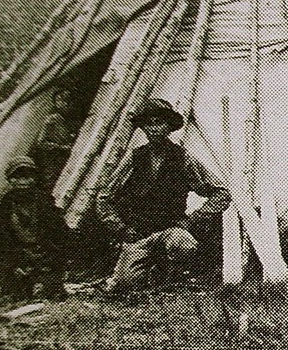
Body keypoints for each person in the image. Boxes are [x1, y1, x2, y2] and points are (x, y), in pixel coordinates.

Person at [98, 99, 229, 293]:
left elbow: (222, 193)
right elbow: (105, 197)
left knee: (184, 244)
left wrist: (192, 221)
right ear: (142, 128)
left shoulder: (182, 158)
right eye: (148, 124)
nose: (153, 129)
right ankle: (148, 273)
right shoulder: (135, 158)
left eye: (159, 122)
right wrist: (121, 228)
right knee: (127, 284)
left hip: (170, 230)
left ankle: (170, 275)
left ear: (169, 126)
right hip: (139, 234)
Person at [0, 156, 70, 301]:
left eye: (27, 176)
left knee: (49, 293)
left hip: (44, 260)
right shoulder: (2, 210)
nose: (23, 181)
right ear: (10, 180)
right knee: (7, 292)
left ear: (34, 179)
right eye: (17, 177)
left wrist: (51, 262)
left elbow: (62, 237)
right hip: (17, 262)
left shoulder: (46, 206)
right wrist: (12, 264)